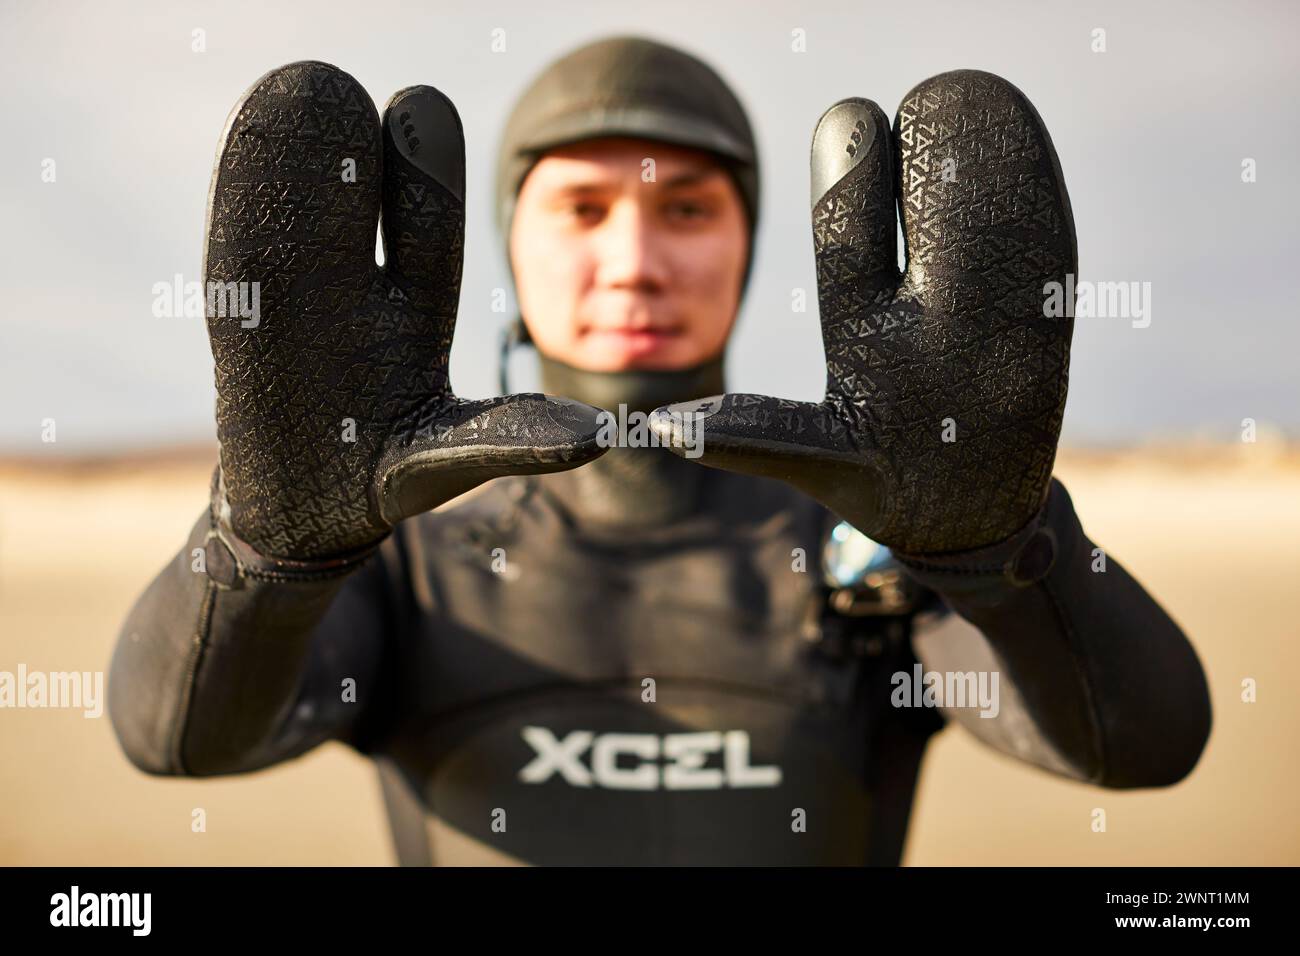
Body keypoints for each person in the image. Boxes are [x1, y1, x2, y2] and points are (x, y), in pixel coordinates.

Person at [108, 36, 1211, 865]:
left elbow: (1143, 746)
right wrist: (266, 552)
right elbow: (179, 740)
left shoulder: (871, 546)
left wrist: (1001, 549)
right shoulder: (405, 556)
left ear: (748, 241)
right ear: (505, 242)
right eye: (581, 208)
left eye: (686, 207)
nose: (634, 259)